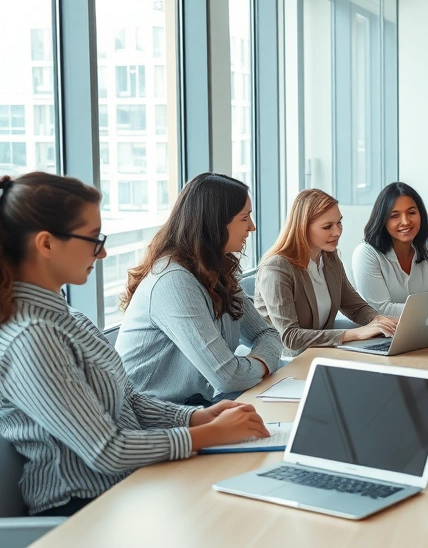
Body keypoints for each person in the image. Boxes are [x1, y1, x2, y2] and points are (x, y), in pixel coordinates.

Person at [0, 173, 269, 517]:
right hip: (84, 508)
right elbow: (106, 450)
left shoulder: (69, 319)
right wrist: (208, 435)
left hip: (129, 486)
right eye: (93, 239)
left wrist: (197, 418)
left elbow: (129, 401)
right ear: (47, 244)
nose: (103, 252)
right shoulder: (31, 338)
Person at [117, 173, 285, 406]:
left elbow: (266, 334)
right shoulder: (173, 282)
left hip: (197, 407)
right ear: (215, 223)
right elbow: (229, 377)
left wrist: (255, 365)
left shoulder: (218, 271)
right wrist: (263, 363)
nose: (252, 227)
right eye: (245, 218)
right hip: (156, 420)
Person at [255, 189, 396, 356]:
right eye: (327, 226)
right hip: (285, 360)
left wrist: (380, 321)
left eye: (339, 222)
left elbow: (355, 307)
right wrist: (354, 334)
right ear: (302, 228)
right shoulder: (277, 268)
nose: (337, 232)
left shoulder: (329, 258)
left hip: (319, 353)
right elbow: (291, 338)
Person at [351, 182, 428, 318]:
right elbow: (380, 310)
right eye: (394, 215)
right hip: (380, 337)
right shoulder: (366, 254)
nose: (406, 221)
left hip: (424, 334)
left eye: (411, 213)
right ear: (383, 220)